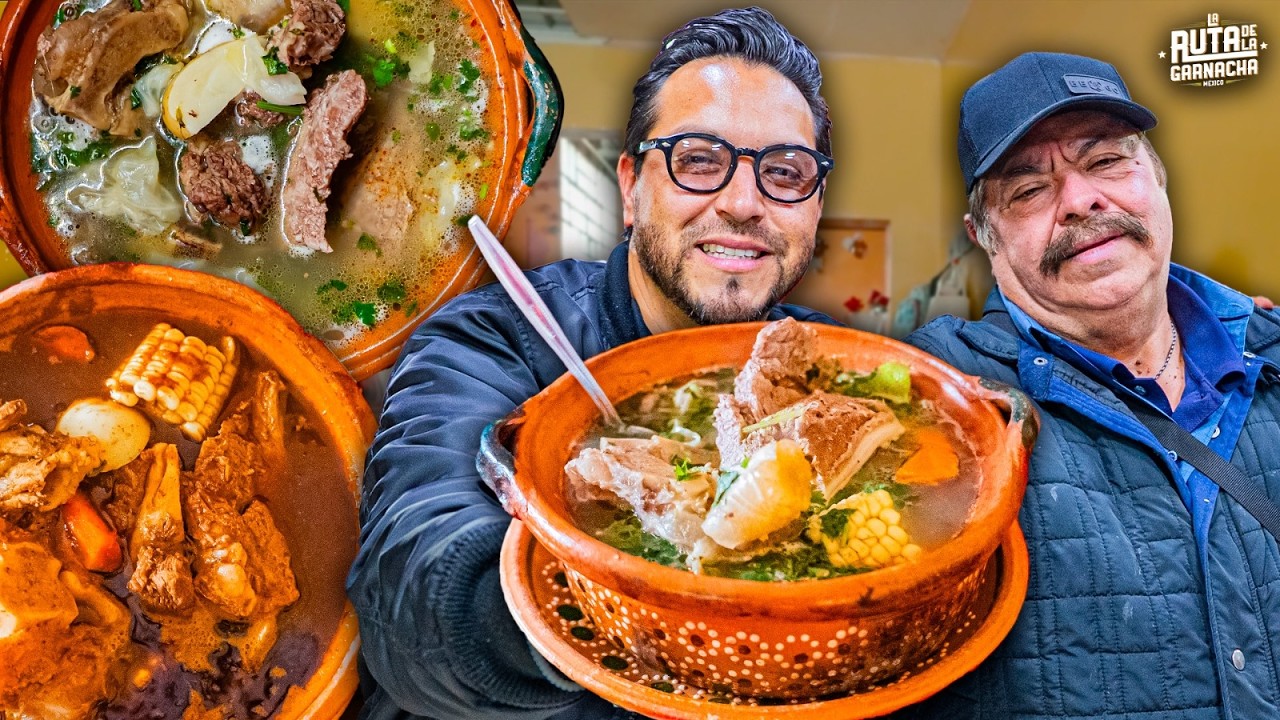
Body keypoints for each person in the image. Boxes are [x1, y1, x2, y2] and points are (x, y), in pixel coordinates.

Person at [346, 8, 836, 719]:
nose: (742, 203)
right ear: (632, 187)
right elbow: (411, 595)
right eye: (700, 160)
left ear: (814, 207)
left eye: (785, 173)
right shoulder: (495, 336)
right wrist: (627, 597)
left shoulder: (830, 367)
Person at [901, 52, 1280, 719]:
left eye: (1106, 161)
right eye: (1027, 190)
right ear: (984, 238)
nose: (1081, 200)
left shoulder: (1269, 357)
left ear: (1157, 177)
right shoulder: (939, 395)